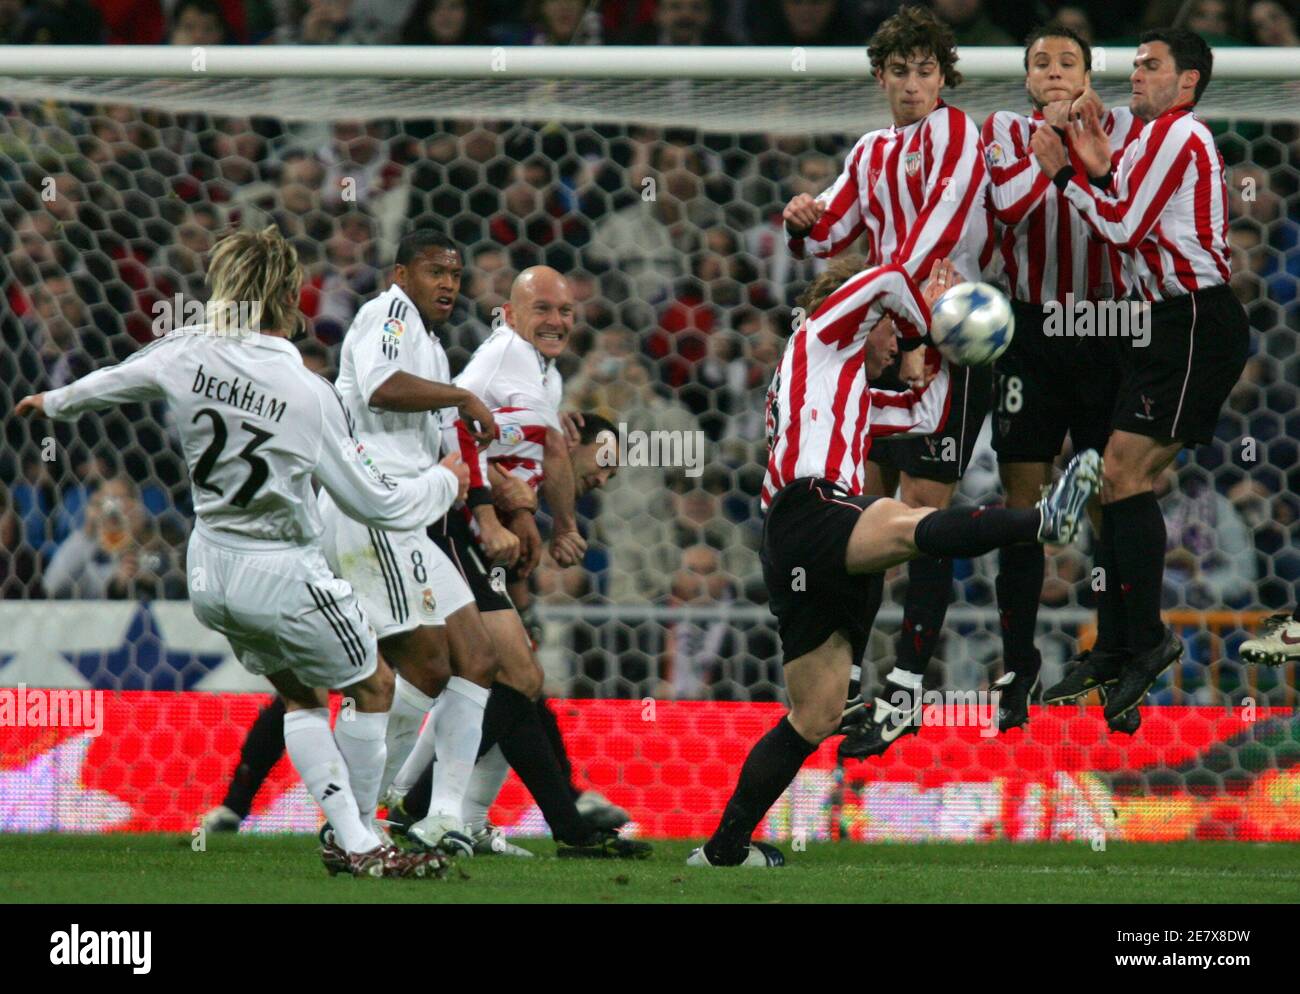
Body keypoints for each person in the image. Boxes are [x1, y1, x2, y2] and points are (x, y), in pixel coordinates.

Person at [18, 226, 466, 880]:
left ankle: (349, 839)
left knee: (303, 698)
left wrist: (52, 403)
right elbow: (378, 505)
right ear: (289, 295)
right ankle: (364, 840)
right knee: (374, 686)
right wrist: (447, 477)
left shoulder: (186, 352)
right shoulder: (308, 392)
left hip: (210, 572)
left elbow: (117, 379)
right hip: (282, 571)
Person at [688, 255, 1101, 868]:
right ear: (867, 318)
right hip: (813, 505)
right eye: (886, 331)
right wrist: (922, 327)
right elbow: (884, 280)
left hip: (792, 544)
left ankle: (722, 850)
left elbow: (925, 418)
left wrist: (945, 362)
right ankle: (1040, 520)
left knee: (815, 713)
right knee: (907, 524)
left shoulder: (844, 385)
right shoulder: (824, 332)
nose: (890, 347)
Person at [781, 5, 996, 758]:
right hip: (892, 333)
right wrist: (802, 216)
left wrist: (905, 323)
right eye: (899, 72)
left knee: (924, 515)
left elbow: (938, 233)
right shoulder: (872, 150)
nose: (913, 85)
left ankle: (908, 683)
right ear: (881, 77)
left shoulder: (959, 135)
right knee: (865, 520)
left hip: (949, 336)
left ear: (944, 76)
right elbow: (833, 231)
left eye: (925, 70)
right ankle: (852, 680)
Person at [1031, 28, 1250, 723]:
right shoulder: (1152, 142)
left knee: (1123, 475)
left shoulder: (1181, 137)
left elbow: (1123, 229)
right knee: (1112, 477)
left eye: (1150, 65)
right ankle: (1119, 648)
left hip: (1192, 321)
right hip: (1161, 326)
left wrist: (1065, 173)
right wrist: (1094, 167)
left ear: (1186, 82)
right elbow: (1128, 208)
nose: (1136, 74)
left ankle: (1145, 642)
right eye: (1133, 64)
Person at [395, 267, 650, 859]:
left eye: (565, 311)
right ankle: (417, 802)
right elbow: (465, 432)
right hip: (448, 519)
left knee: (502, 681)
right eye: (542, 309)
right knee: (511, 679)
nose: (557, 320)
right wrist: (556, 524)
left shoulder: (542, 375)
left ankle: (466, 814)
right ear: (510, 315)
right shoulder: (510, 357)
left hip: (463, 521)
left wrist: (514, 508)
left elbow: (506, 443)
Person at [981, 22, 1145, 733]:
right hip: (1029, 332)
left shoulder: (1126, 132)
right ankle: (1018, 667)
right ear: (1025, 79)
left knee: (1113, 492)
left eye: (1066, 61)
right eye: (1040, 63)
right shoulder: (1004, 133)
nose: (1052, 71)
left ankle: (1121, 656)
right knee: (1026, 498)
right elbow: (1009, 210)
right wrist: (1049, 145)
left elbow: (1129, 219)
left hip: (1106, 329)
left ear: (1088, 73)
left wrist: (1074, 151)